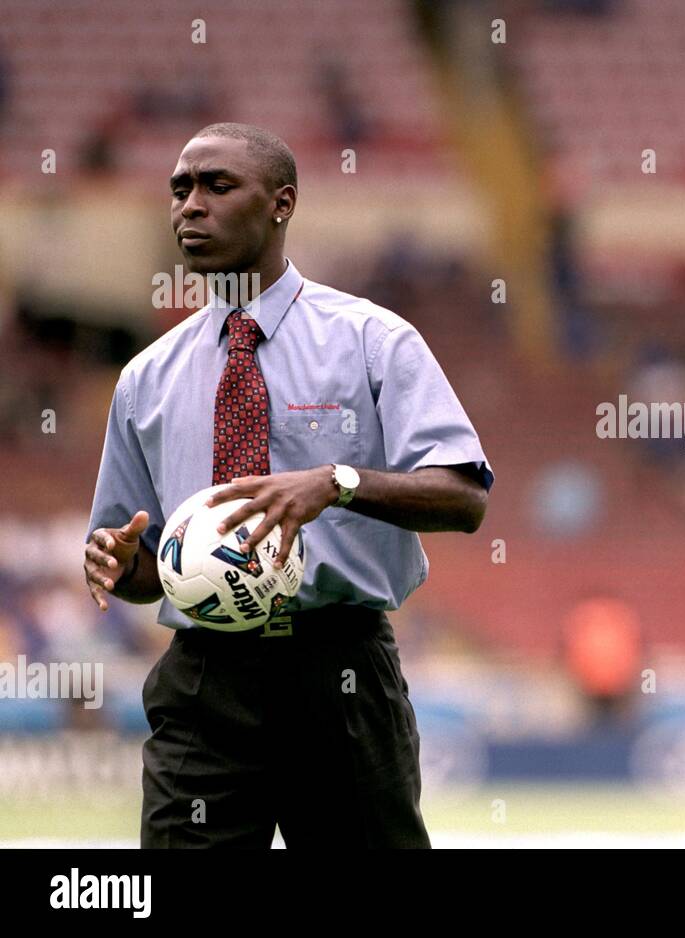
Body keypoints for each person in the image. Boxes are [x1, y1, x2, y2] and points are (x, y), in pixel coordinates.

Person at [83, 123, 493, 848]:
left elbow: (463, 497)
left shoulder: (372, 341)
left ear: (282, 203)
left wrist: (335, 483)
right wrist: (118, 562)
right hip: (205, 680)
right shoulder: (145, 378)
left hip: (338, 672)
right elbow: (141, 566)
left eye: (216, 185)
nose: (190, 206)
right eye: (179, 189)